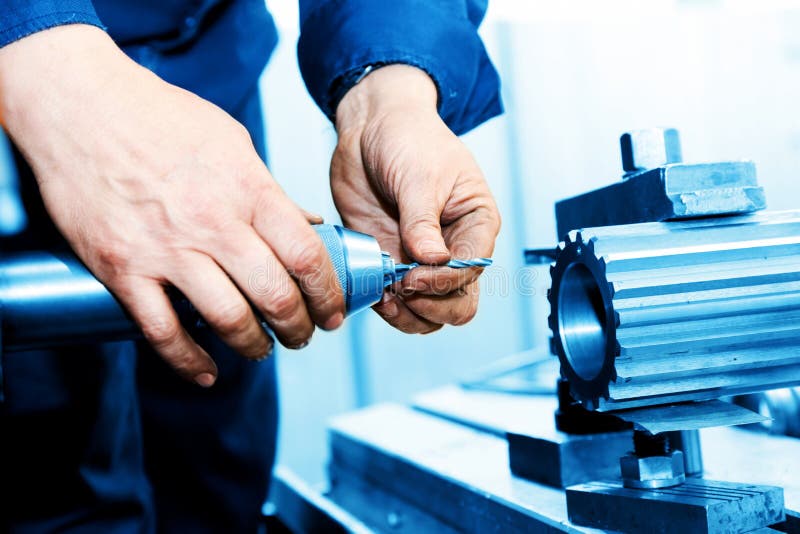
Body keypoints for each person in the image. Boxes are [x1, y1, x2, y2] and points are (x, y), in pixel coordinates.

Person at [0, 0, 502, 531]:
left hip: (205, 92)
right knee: (54, 483)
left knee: (215, 480)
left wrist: (386, 87)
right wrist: (55, 68)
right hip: (22, 88)